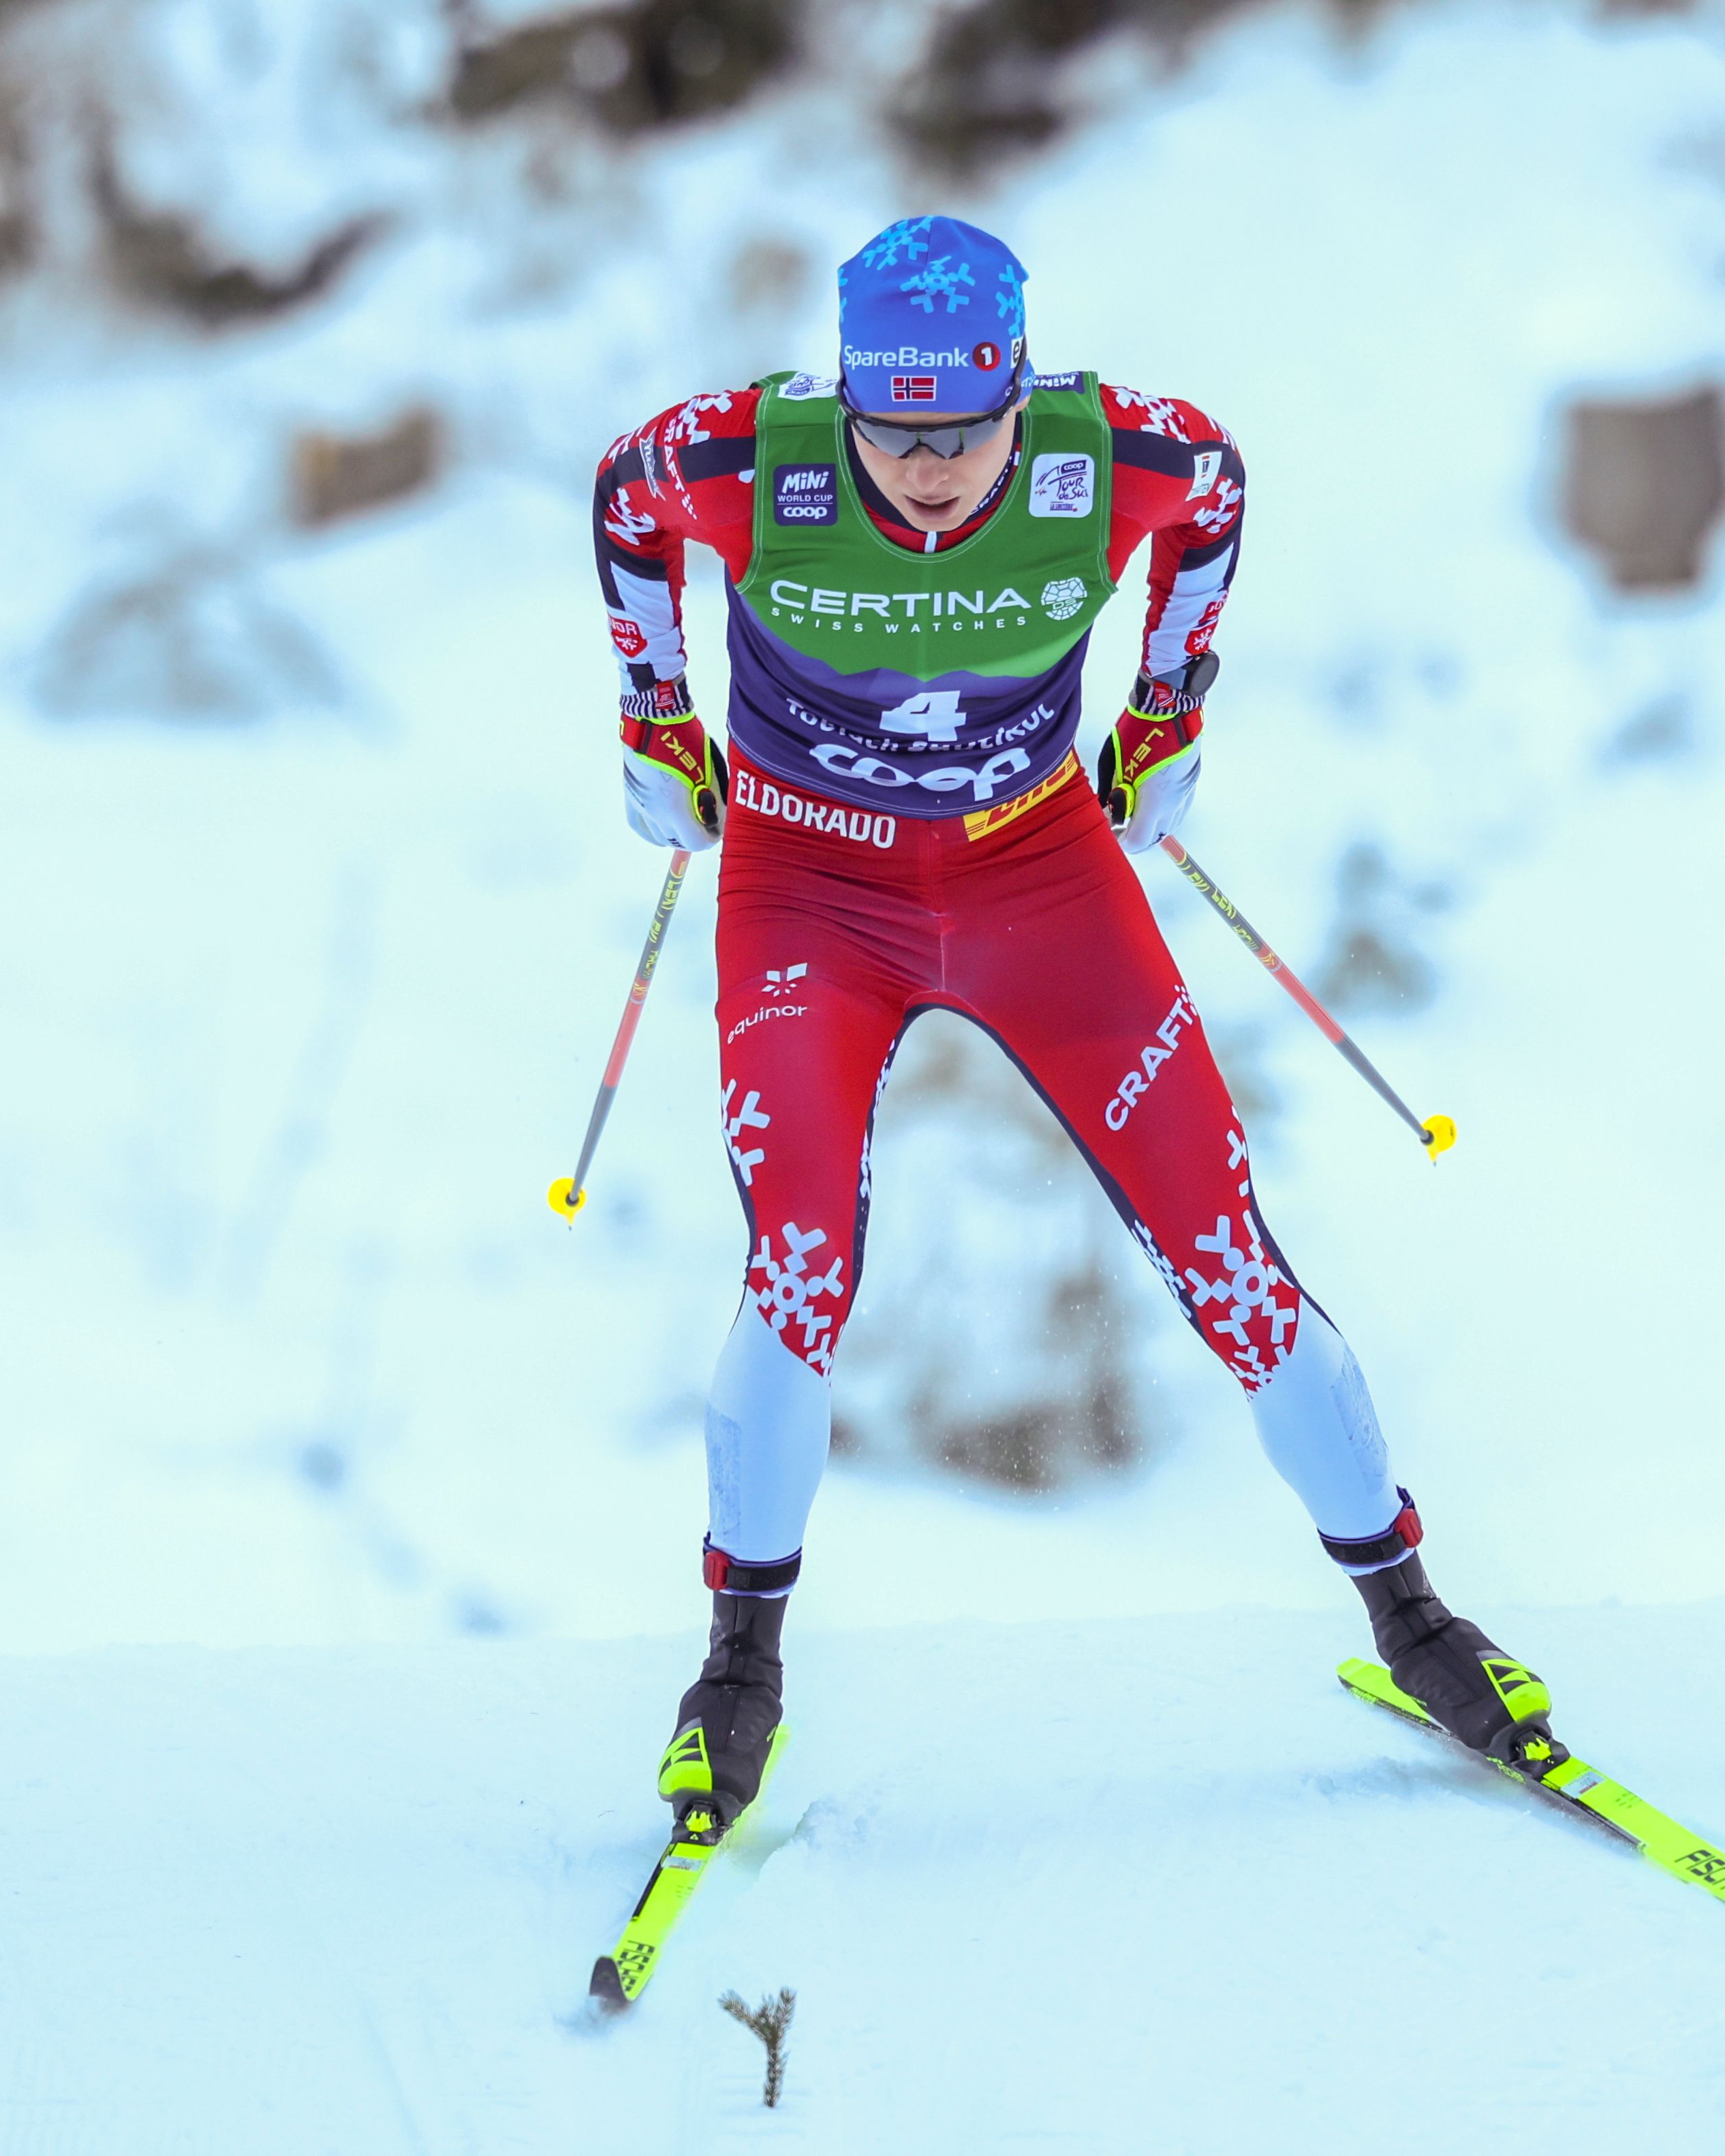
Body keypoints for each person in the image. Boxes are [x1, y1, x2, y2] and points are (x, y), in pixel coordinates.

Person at [592, 215, 1548, 1836]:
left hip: (1038, 871)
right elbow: (624, 497)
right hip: (805, 889)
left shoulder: (1113, 459)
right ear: (848, 404)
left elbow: (1220, 489)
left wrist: (1167, 712)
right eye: (893, 432)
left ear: (1018, 398)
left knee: (1224, 1245)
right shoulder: (756, 459)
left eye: (965, 431)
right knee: (803, 1261)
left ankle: (1412, 1618)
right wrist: (656, 718)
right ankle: (736, 1669)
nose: (931, 470)